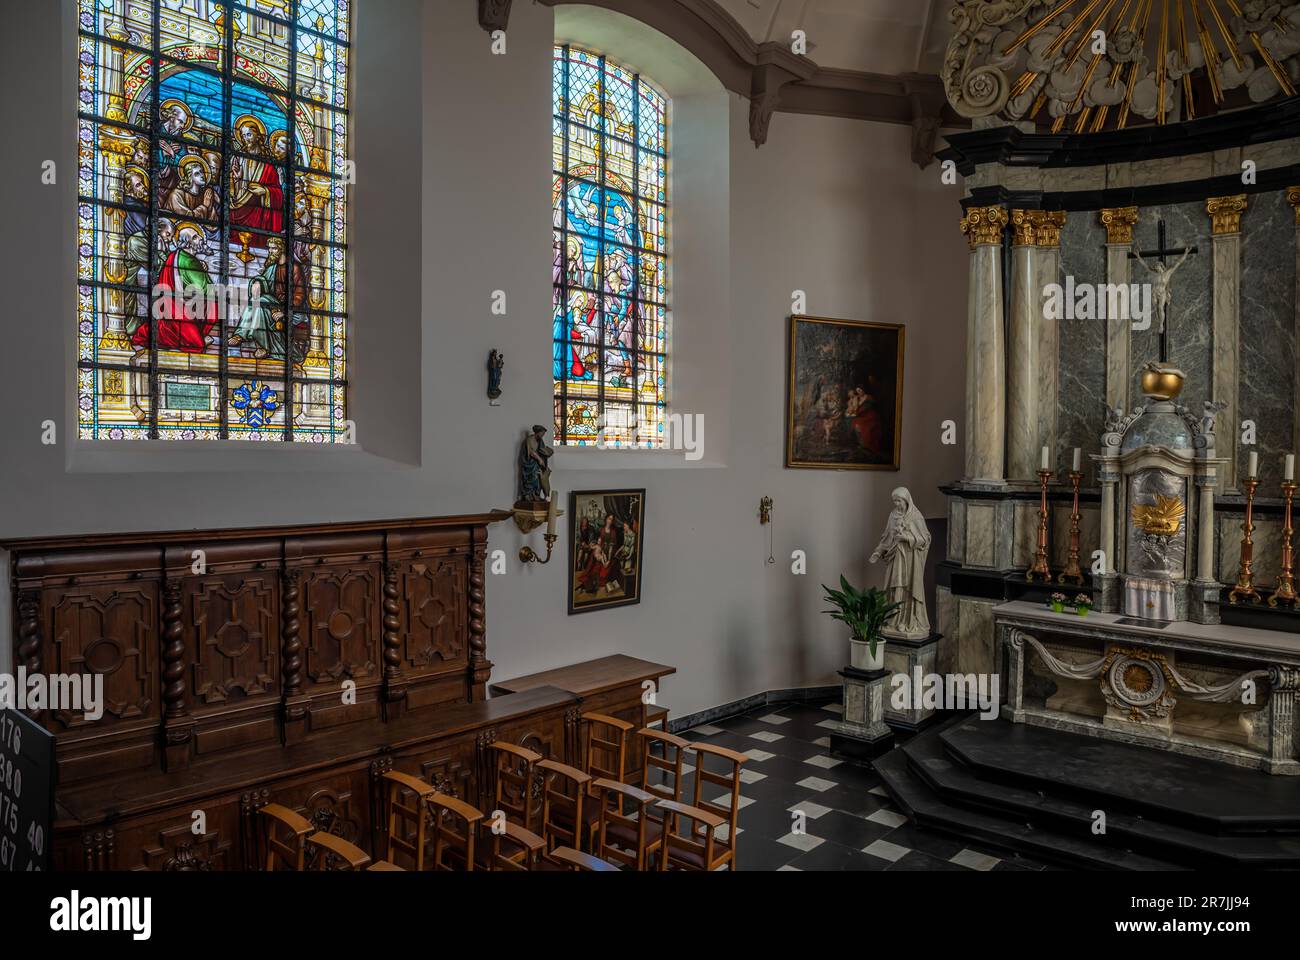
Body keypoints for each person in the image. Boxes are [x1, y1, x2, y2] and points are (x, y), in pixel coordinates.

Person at [132, 224, 218, 353]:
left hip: (170, 306)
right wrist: (204, 273)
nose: (200, 238)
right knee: (197, 342)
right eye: (195, 237)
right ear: (188, 243)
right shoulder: (190, 262)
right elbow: (205, 289)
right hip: (180, 309)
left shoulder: (175, 255)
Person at [869, 487, 932, 638]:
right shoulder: (893, 515)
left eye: (899, 501)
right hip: (895, 558)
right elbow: (886, 537)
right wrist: (878, 552)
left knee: (908, 588)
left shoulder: (916, 516)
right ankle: (894, 620)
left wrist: (906, 538)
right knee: (894, 587)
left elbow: (925, 539)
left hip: (911, 560)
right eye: (895, 501)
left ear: (906, 500)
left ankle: (908, 621)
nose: (897, 504)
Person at [229, 115, 285, 234]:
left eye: (249, 134)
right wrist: (236, 179)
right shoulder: (237, 158)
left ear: (258, 135)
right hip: (237, 209)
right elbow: (228, 186)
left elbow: (278, 193)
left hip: (259, 214)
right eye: (243, 136)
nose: (246, 139)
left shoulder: (268, 163)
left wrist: (265, 191)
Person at [519, 425, 554, 503]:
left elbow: (542, 450)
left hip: (537, 464)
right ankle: (528, 494)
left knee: (538, 478)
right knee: (531, 478)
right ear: (537, 432)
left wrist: (548, 452)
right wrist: (539, 459)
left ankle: (536, 494)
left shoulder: (540, 440)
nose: (542, 435)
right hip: (530, 463)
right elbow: (531, 452)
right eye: (542, 433)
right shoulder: (530, 439)